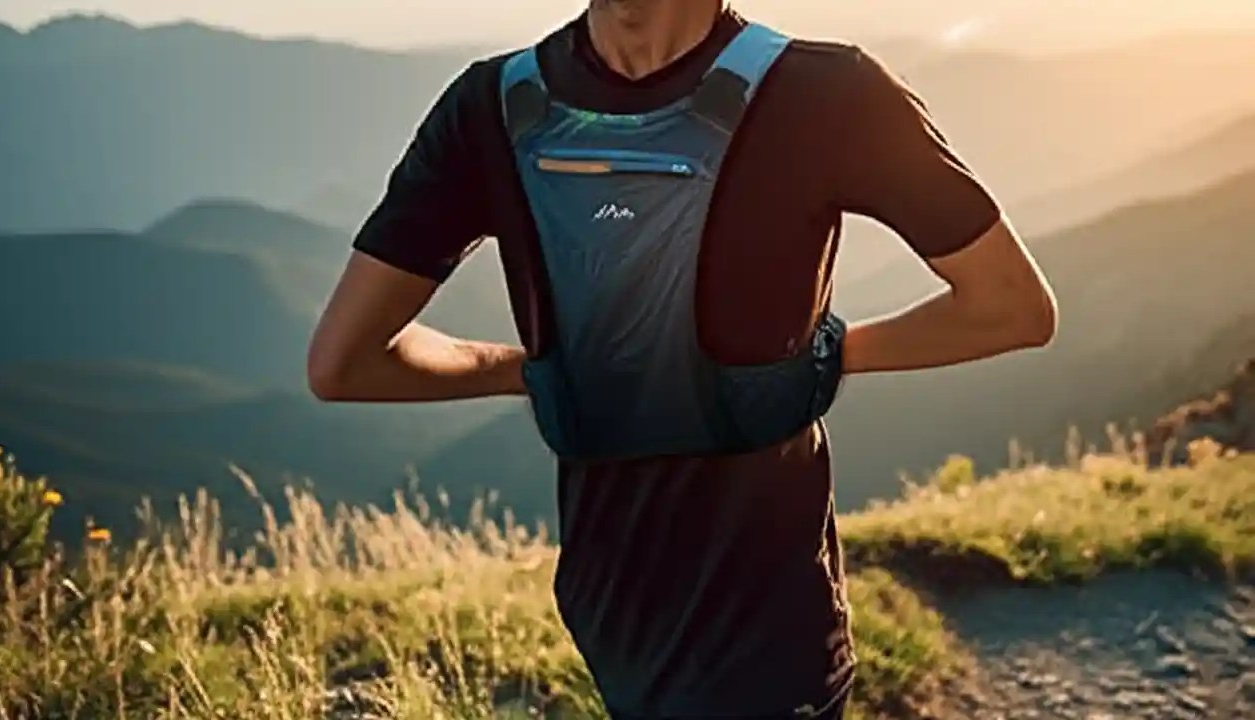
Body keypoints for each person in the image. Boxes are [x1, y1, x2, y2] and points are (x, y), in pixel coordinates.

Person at [307, 1, 1058, 718]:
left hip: (672, 624)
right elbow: (1005, 308)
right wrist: (807, 364)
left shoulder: (498, 107)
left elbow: (351, 363)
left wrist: (542, 372)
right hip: (705, 631)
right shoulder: (825, 93)